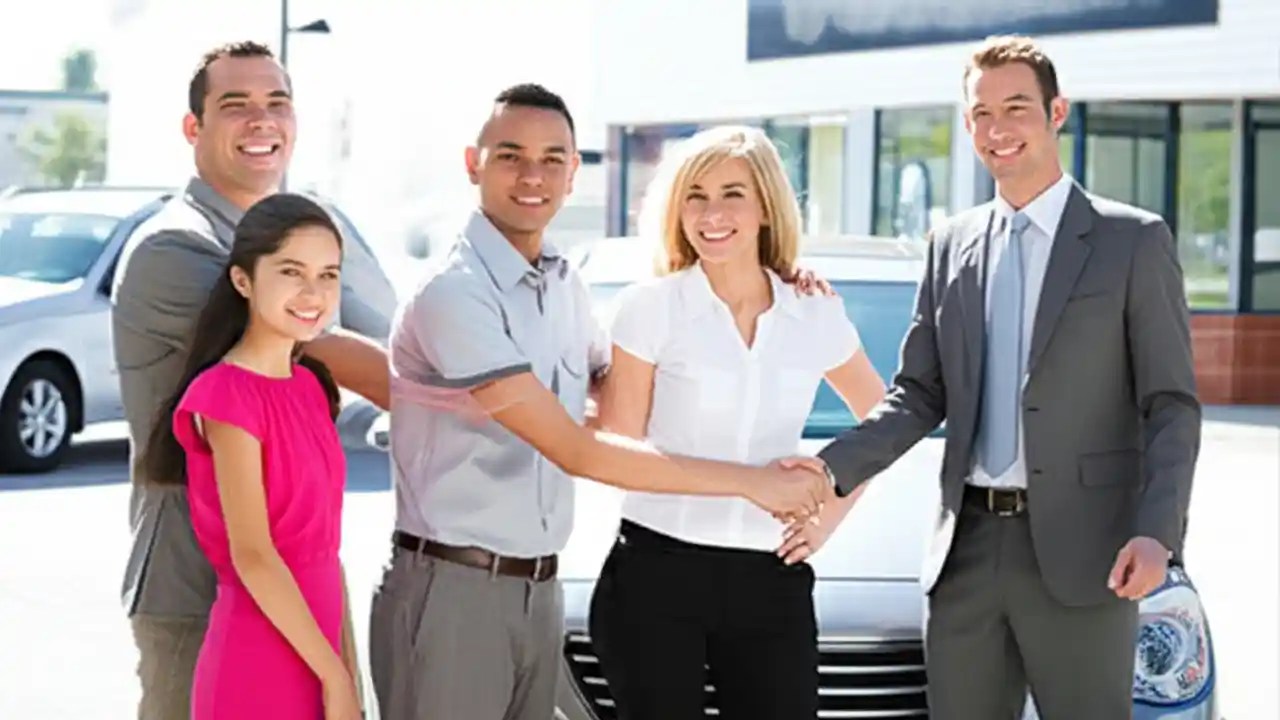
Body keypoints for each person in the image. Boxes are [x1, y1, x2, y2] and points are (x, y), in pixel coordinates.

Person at [368, 84, 831, 720]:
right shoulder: (455, 295)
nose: (534, 175)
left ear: (573, 172)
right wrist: (751, 484)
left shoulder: (564, 286)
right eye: (511, 156)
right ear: (473, 163)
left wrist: (772, 280)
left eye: (553, 158)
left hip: (540, 590)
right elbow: (579, 449)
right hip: (453, 591)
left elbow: (627, 396)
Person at [806, 35, 1200, 719]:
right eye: (981, 113)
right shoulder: (950, 244)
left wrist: (1156, 532)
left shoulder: (1131, 241)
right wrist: (825, 470)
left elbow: (1171, 405)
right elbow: (919, 394)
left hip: (1088, 555)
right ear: (967, 126)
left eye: (1016, 107)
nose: (997, 129)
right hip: (966, 551)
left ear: (1056, 113)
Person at [112, 41, 395, 719]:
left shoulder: (298, 229)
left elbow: (387, 330)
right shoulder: (172, 247)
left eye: (278, 104)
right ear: (194, 129)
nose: (262, 121)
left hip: (307, 583)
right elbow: (341, 353)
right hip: (202, 589)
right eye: (235, 106)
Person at [586, 125, 889, 720]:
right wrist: (749, 481)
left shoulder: (812, 311)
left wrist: (827, 516)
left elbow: (884, 424)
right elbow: (617, 455)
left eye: (732, 194)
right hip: (655, 576)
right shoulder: (650, 307)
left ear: (766, 208)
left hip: (770, 581)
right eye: (695, 195)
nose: (712, 213)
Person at [141, 193, 359, 720]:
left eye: (328, 275)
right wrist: (335, 677)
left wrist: (340, 671)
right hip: (259, 654)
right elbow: (254, 556)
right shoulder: (224, 397)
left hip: (320, 640)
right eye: (292, 271)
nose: (314, 293)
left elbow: (321, 547)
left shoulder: (309, 387)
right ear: (244, 281)